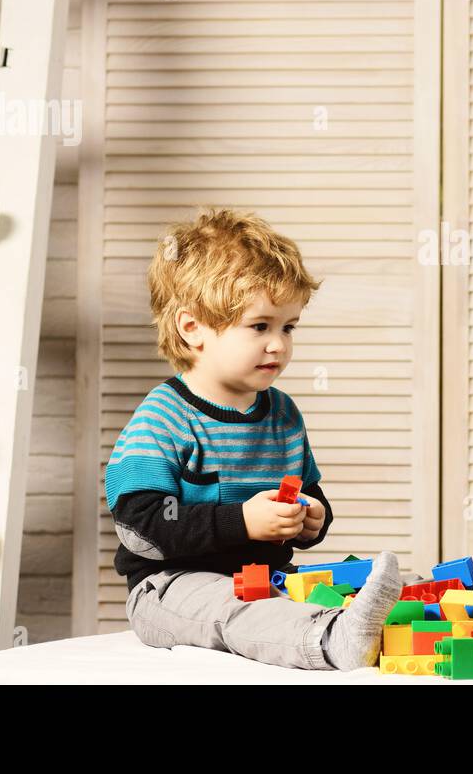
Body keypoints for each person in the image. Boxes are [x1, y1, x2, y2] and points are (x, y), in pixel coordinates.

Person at [104, 207, 401, 670]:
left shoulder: (282, 413)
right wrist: (242, 521)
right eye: (260, 326)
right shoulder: (164, 417)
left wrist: (312, 517)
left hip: (267, 577)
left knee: (355, 582)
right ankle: (328, 641)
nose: (278, 344)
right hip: (173, 585)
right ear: (192, 328)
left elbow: (307, 490)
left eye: (288, 327)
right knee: (237, 609)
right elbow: (139, 528)